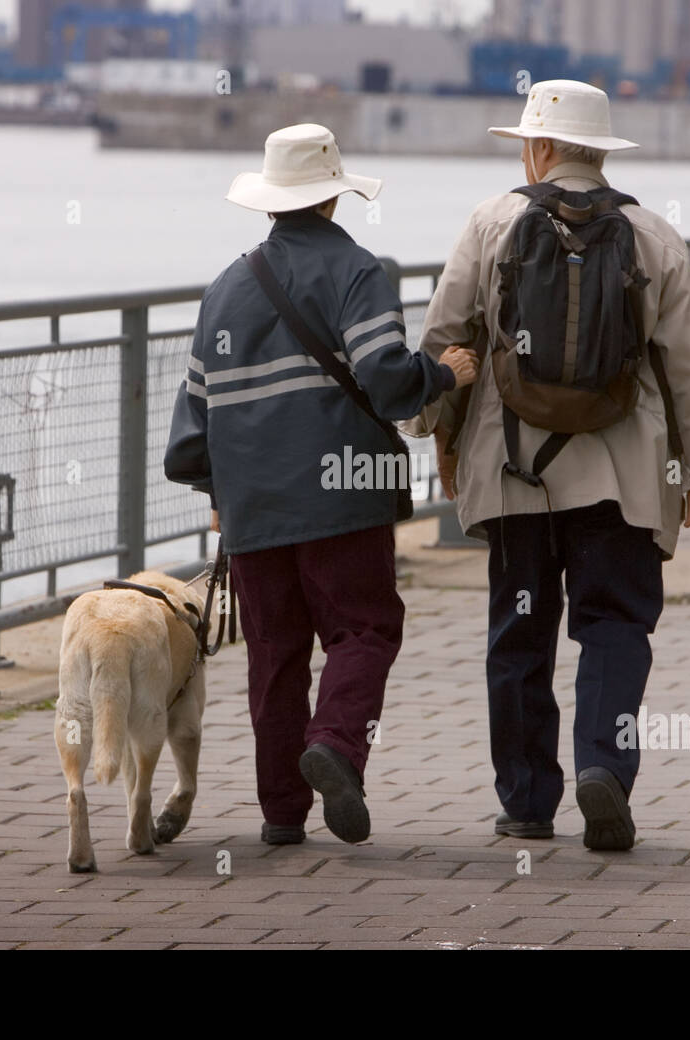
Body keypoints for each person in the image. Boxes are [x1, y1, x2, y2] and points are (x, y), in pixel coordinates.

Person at [402, 81, 690, 850]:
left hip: (515, 471)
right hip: (624, 479)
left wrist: (441, 437)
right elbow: (687, 370)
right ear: (600, 149)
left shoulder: (491, 223)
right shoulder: (653, 235)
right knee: (615, 626)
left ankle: (526, 802)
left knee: (520, 638)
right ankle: (603, 770)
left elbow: (445, 342)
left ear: (538, 148)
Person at [165, 123, 479, 846]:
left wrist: (221, 492)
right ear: (335, 198)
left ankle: (281, 816)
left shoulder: (226, 289)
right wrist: (446, 374)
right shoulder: (357, 271)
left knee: (274, 657)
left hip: (254, 510)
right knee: (364, 628)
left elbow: (190, 434)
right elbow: (387, 379)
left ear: (271, 202)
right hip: (344, 497)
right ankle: (335, 746)